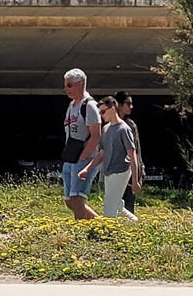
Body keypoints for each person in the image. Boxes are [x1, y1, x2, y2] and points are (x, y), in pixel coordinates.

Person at [61, 68, 103, 220]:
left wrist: (83, 158)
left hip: (85, 158)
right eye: (66, 85)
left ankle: (79, 233)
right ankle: (100, 223)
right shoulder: (72, 105)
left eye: (70, 85)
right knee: (69, 200)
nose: (66, 89)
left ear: (80, 84)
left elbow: (96, 135)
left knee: (78, 199)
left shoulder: (89, 105)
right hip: (71, 157)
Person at [113, 91, 144, 216]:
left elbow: (136, 151)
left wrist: (139, 171)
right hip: (113, 170)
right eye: (128, 104)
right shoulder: (109, 125)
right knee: (114, 206)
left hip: (129, 171)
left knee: (128, 206)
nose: (131, 107)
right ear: (119, 105)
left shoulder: (131, 125)